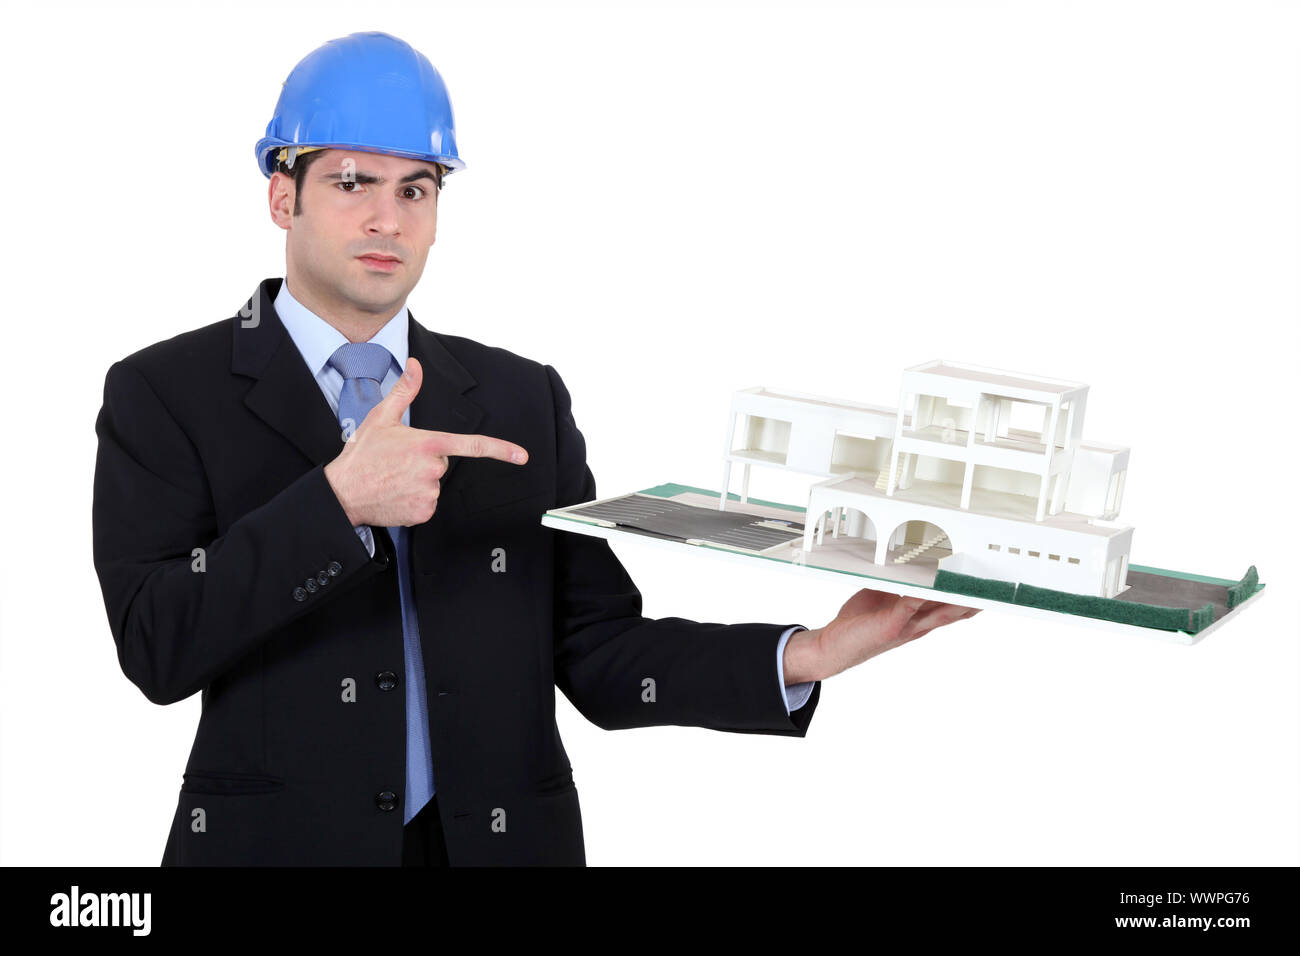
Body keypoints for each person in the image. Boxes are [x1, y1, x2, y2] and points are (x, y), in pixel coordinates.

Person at [91, 30, 980, 867]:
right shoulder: (165, 393)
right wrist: (336, 506)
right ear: (282, 196)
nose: (388, 220)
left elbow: (593, 650)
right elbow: (156, 648)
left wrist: (807, 654)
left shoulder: (520, 399)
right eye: (353, 182)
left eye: (416, 190)